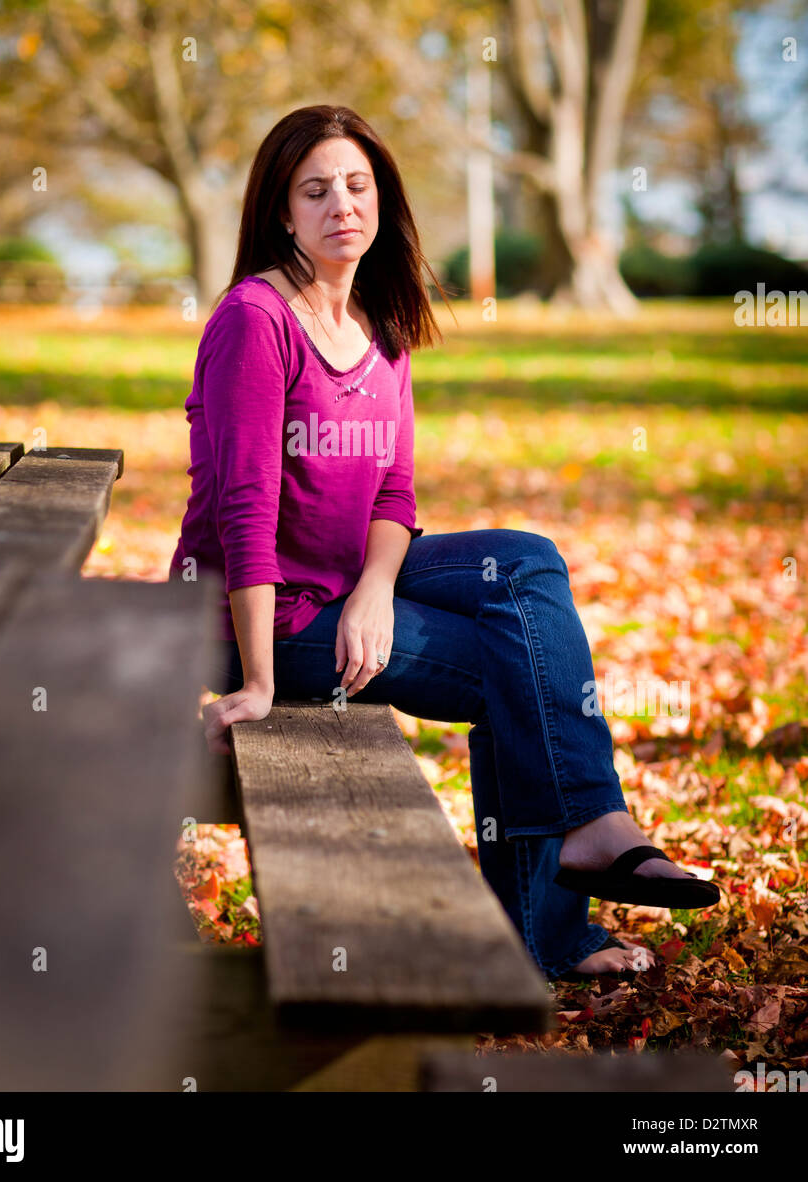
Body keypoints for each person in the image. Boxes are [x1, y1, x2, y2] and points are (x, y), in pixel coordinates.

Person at [168, 103, 719, 982]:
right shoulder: (253, 320)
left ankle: (585, 833)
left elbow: (394, 490)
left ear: (381, 197)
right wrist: (261, 677)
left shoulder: (381, 324)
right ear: (282, 212)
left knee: (528, 562)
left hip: (348, 578)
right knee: (520, 663)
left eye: (357, 185)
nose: (341, 204)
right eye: (315, 191)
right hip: (256, 611)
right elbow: (243, 507)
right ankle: (558, 916)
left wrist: (376, 591)